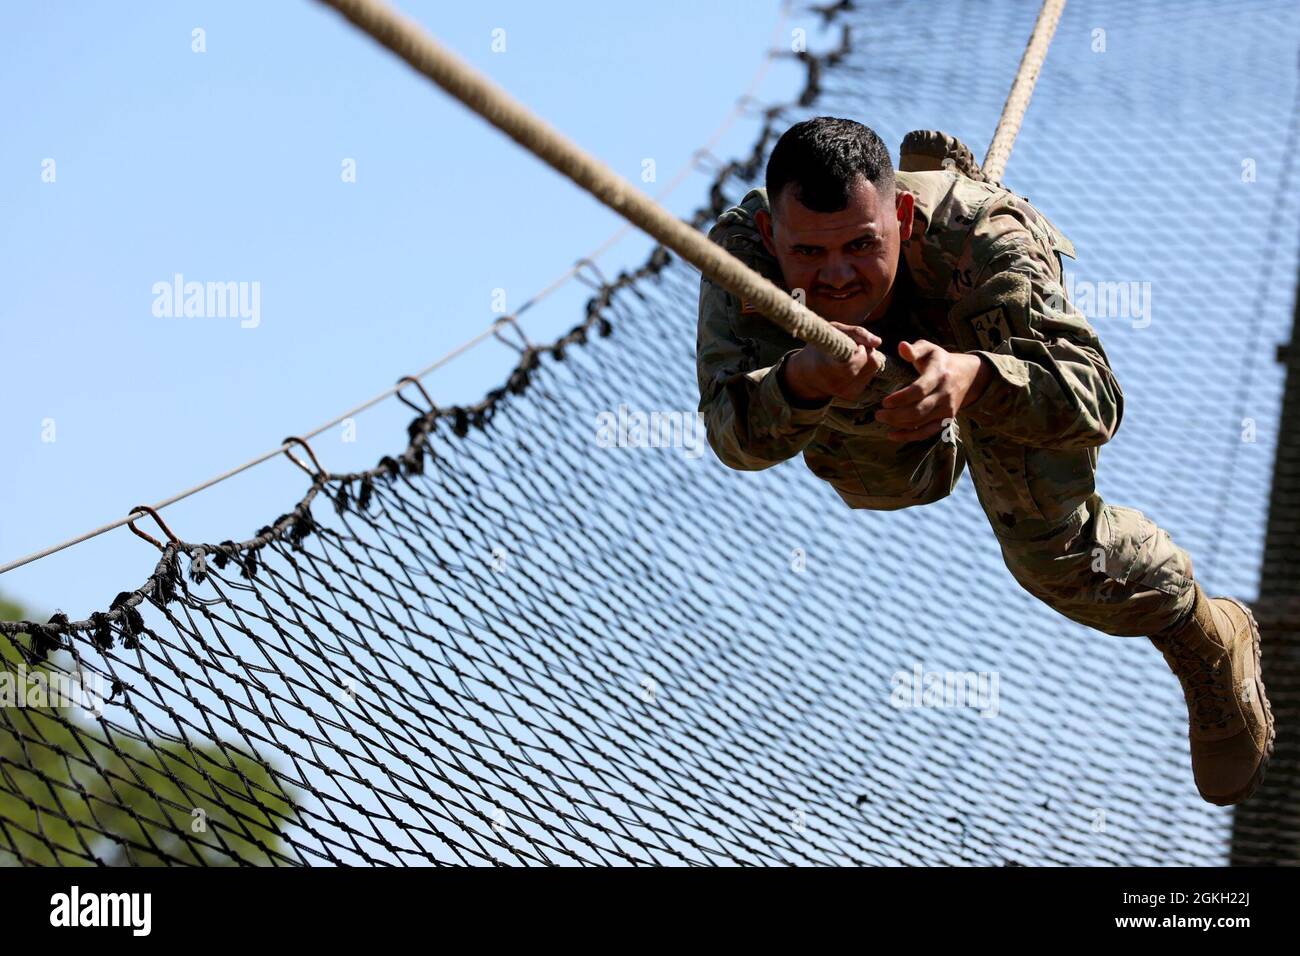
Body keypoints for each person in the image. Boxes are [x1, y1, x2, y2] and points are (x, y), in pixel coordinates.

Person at [695, 117, 1274, 806]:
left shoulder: (987, 236)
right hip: (865, 385)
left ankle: (1206, 637)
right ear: (771, 239)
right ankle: (883, 374)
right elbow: (733, 437)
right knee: (883, 481)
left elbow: (1096, 400)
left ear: (900, 215)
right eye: (810, 255)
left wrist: (976, 380)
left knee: (1050, 548)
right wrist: (804, 383)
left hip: (980, 320)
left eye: (860, 244)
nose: (839, 274)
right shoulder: (742, 258)